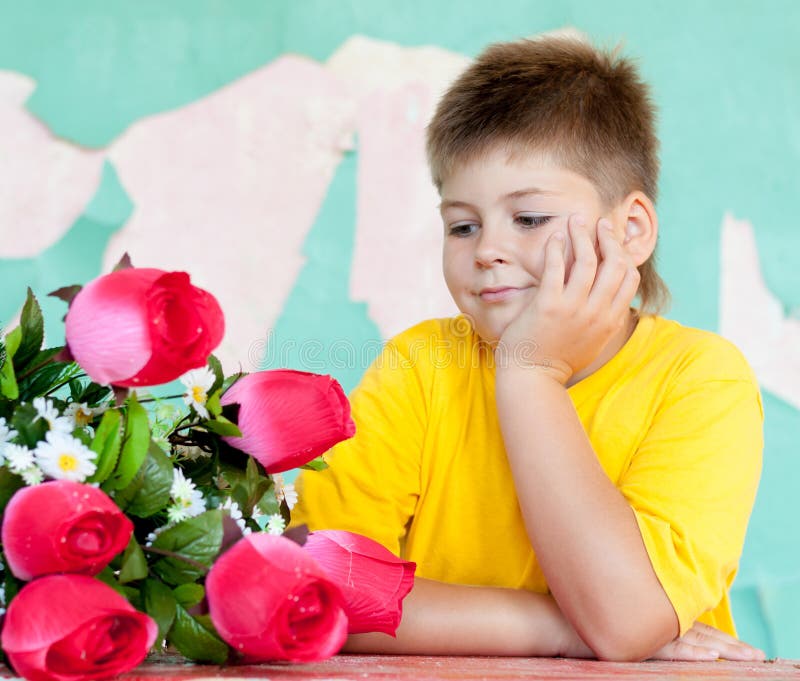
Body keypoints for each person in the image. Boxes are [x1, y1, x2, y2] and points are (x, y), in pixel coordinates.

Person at [291, 34, 765, 662]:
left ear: (630, 230)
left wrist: (529, 374)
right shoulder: (420, 369)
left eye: (529, 218)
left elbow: (625, 619)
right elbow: (309, 593)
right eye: (463, 225)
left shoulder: (702, 380)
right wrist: (562, 628)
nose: (486, 249)